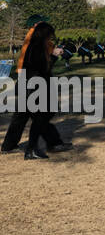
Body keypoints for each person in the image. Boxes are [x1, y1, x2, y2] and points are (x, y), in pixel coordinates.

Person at [1, 22, 70, 159]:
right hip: (33, 86)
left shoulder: (34, 45)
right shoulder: (37, 47)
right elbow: (42, 68)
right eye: (49, 35)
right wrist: (54, 55)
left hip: (29, 85)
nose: (51, 38)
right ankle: (39, 147)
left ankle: (12, 146)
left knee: (25, 117)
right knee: (41, 116)